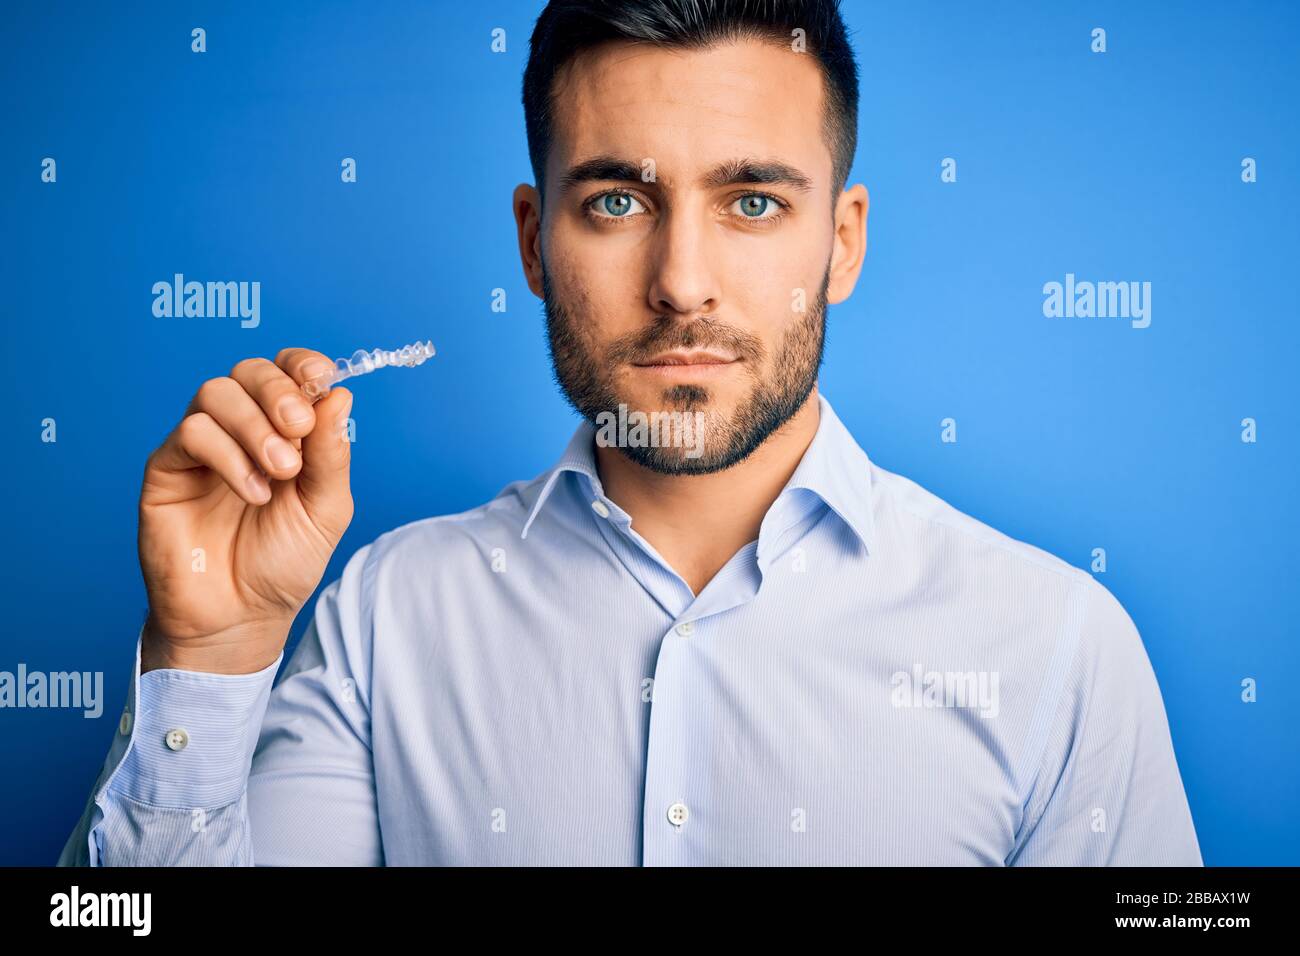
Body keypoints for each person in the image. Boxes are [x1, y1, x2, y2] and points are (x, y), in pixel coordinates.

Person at [59, 0, 1201, 866]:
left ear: (841, 243)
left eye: (752, 201)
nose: (681, 283)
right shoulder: (384, 620)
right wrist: (211, 652)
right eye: (617, 202)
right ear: (532, 240)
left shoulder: (1055, 647)